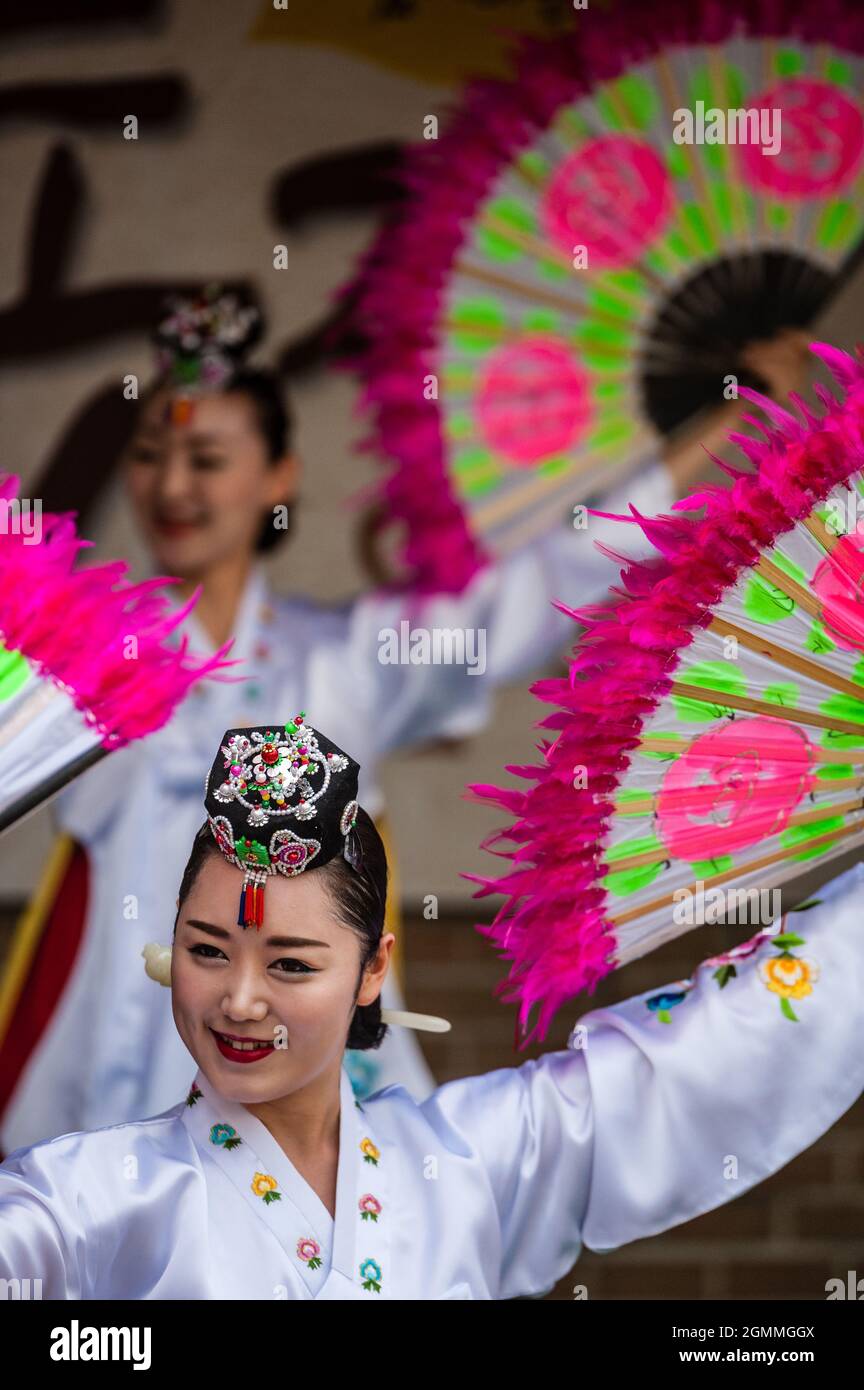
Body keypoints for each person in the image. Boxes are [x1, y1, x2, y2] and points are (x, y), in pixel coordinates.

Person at [0, 285, 811, 1152]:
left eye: (205, 458)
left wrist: (728, 425)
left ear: (279, 477)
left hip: (287, 1074)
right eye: (151, 454)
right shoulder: (71, 663)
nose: (171, 484)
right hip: (92, 1074)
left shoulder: (346, 660)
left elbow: (546, 582)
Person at [0, 715, 861, 1301]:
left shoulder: (468, 1166)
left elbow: (692, 1065)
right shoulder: (83, 1205)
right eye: (206, 951)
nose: (240, 999)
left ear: (374, 969)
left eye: (292, 964)